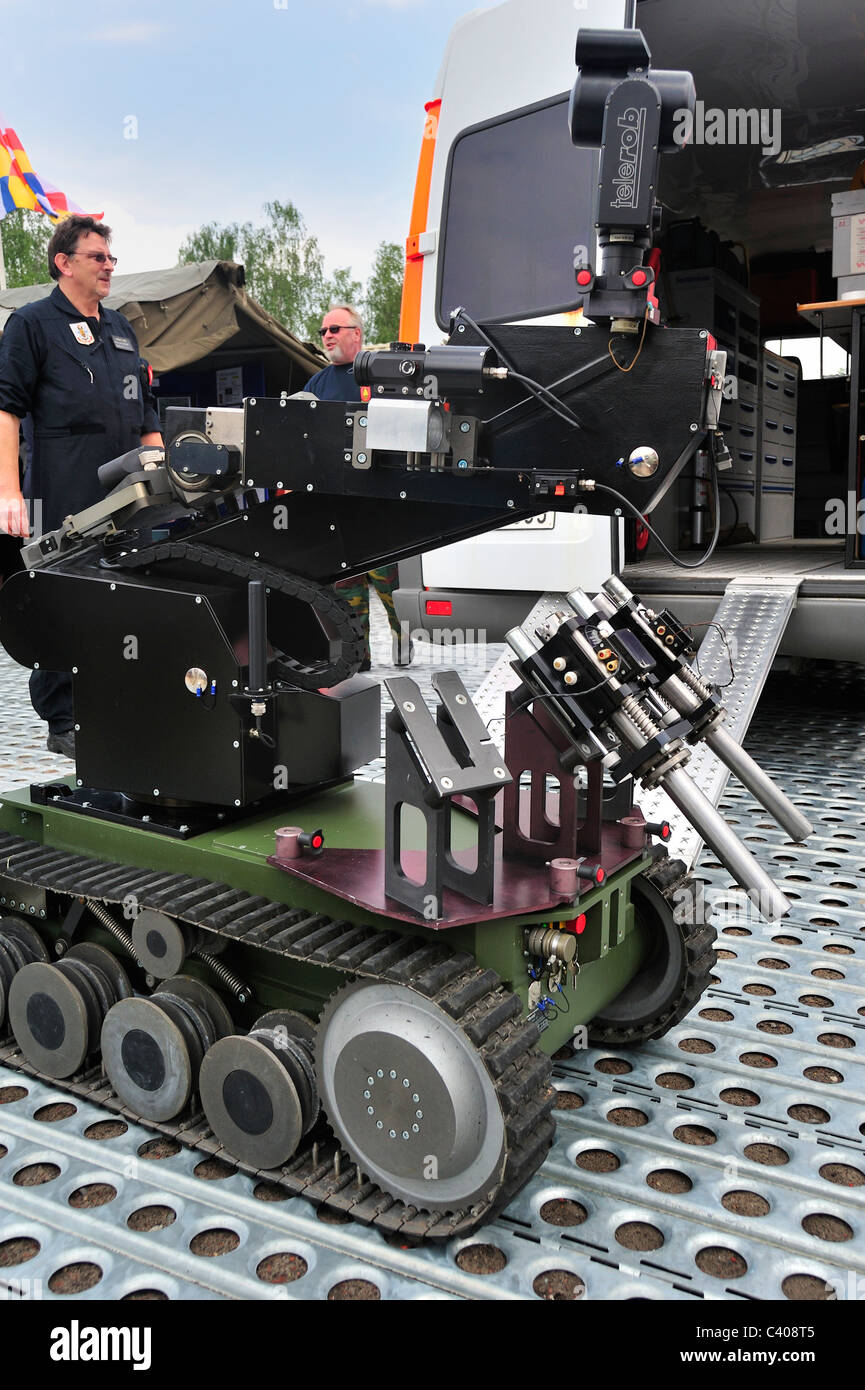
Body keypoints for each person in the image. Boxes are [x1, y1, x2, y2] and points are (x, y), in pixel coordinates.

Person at [0, 215, 163, 759]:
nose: (109, 266)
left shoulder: (121, 328)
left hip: (126, 495)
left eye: (112, 258)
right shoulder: (30, 324)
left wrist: (160, 471)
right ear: (64, 263)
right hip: (58, 489)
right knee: (63, 601)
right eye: (98, 257)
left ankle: (120, 703)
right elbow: (7, 411)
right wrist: (9, 492)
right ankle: (64, 719)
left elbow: (147, 411)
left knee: (125, 599)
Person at [305, 303, 411, 669]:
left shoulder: (377, 374)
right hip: (336, 503)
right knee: (346, 586)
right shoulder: (316, 383)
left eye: (335, 329)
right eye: (324, 331)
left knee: (388, 581)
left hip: (376, 500)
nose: (328, 336)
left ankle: (404, 637)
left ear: (357, 334)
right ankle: (358, 655)